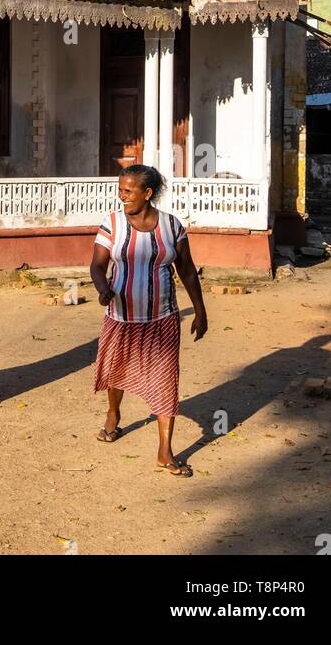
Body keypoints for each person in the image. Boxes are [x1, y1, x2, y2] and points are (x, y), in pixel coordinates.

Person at [90, 162, 208, 476]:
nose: (122, 196)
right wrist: (103, 290)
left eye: (129, 191)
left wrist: (200, 310)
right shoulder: (112, 224)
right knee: (117, 371)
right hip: (121, 317)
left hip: (163, 318)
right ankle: (113, 413)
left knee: (167, 380)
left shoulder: (172, 227)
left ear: (148, 193)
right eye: (120, 190)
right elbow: (97, 267)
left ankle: (165, 451)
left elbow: (186, 270)